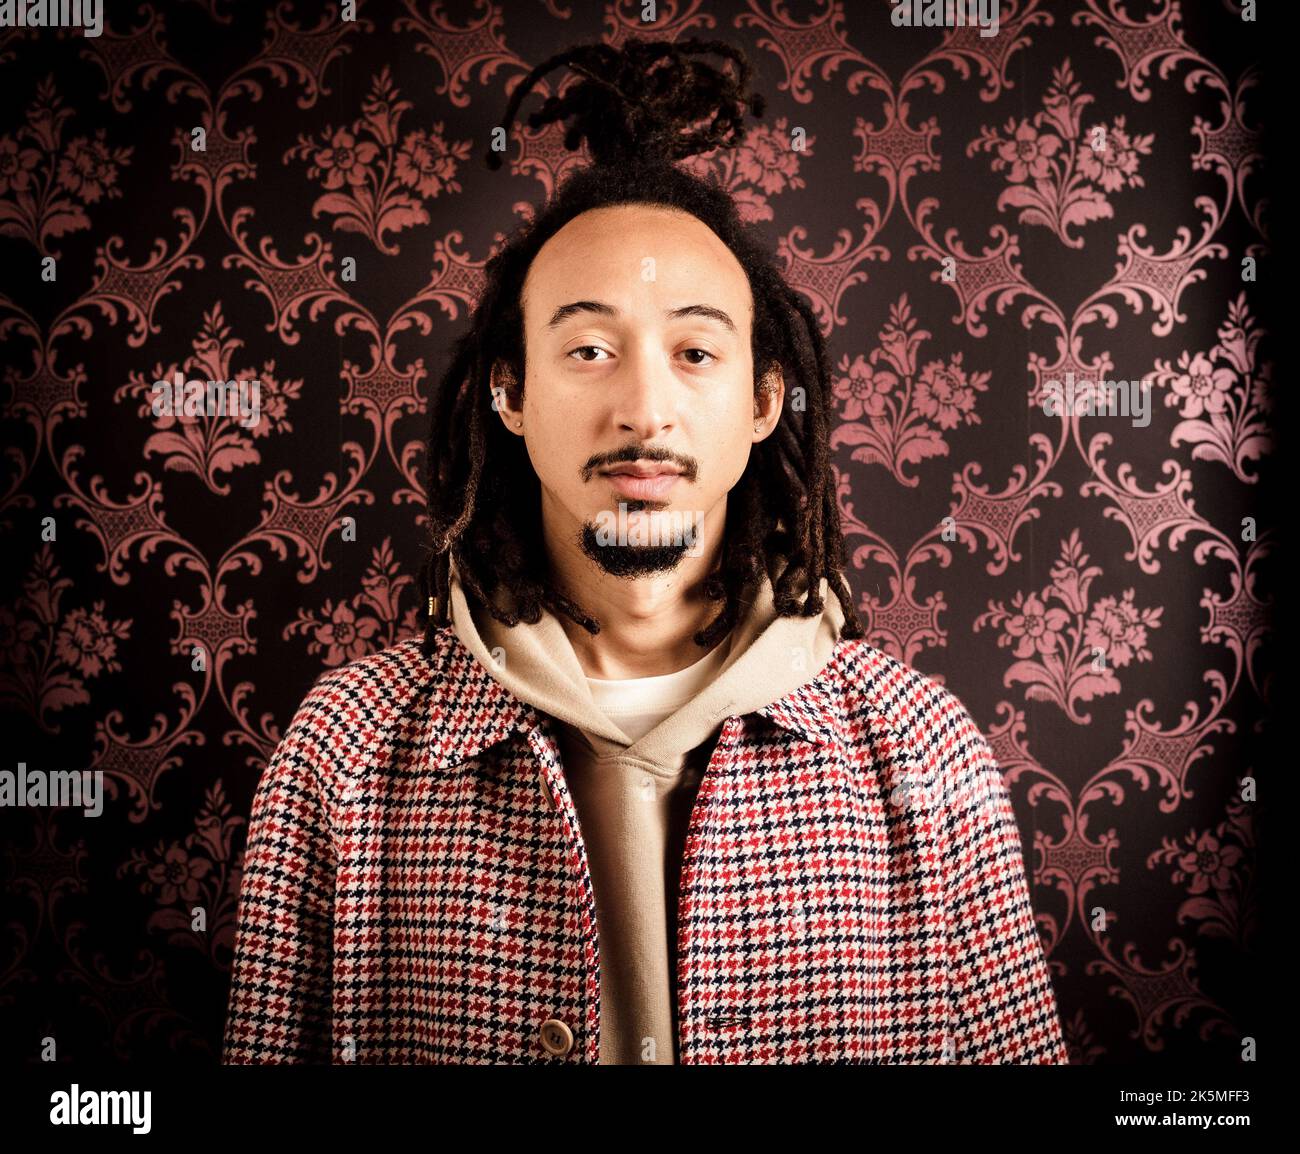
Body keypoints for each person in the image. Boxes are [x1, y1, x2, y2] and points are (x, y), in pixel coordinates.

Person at [222, 36, 1068, 1066]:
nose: (643, 407)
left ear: (761, 400)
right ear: (512, 393)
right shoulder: (341, 756)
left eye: (695, 351)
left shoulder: (924, 754)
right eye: (588, 349)